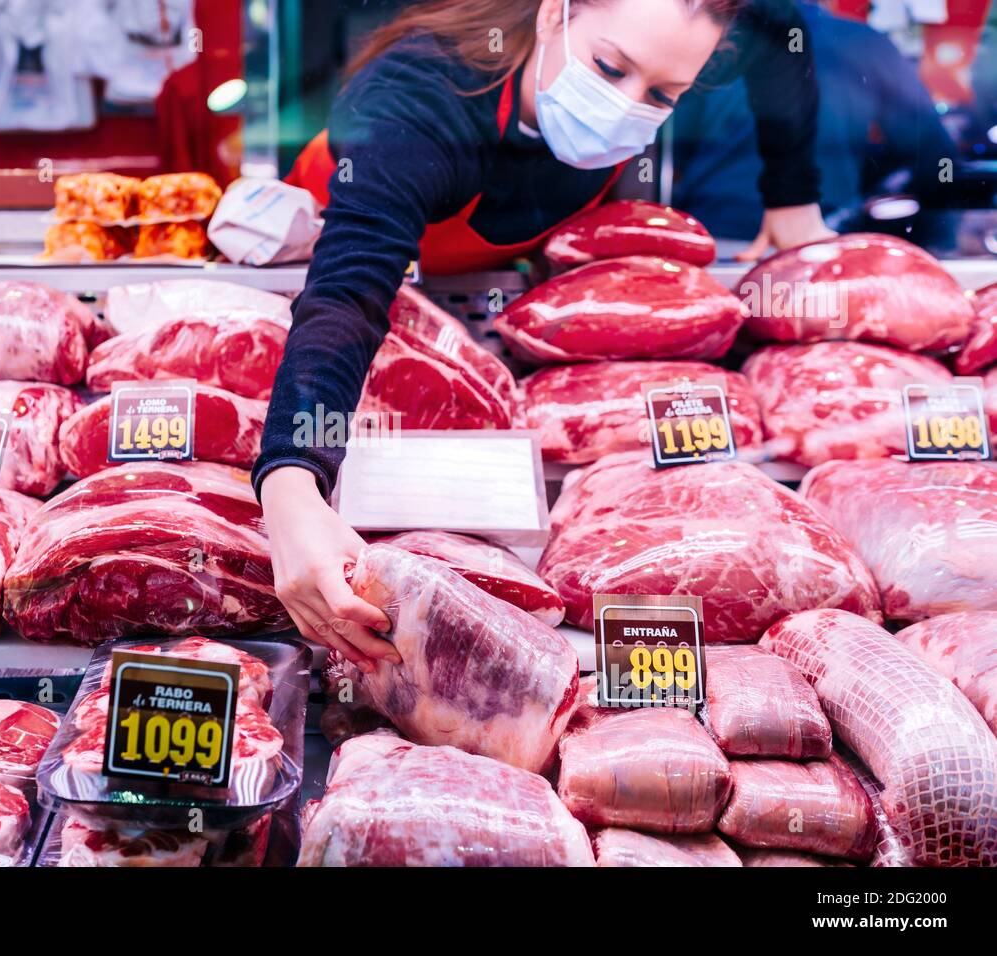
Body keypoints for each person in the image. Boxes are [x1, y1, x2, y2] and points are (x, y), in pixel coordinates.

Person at [257, 0, 833, 668]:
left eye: (661, 95)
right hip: (351, 296)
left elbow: (781, 37)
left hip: (484, 321)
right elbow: (348, 293)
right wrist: (292, 487)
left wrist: (794, 199)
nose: (625, 104)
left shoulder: (726, 30)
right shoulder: (421, 92)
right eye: (610, 67)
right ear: (555, 12)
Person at [673, 0, 956, 239]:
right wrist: (940, 238)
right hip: (815, 233)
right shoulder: (865, 44)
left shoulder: (718, 40)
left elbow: (676, 142)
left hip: (712, 232)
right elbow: (933, 156)